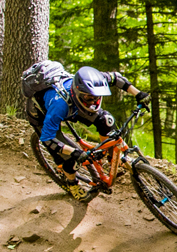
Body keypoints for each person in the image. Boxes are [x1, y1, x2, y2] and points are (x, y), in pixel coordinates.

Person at [37, 65, 150, 200]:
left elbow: (116, 78)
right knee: (70, 159)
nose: (94, 101)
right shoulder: (59, 105)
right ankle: (72, 183)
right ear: (78, 92)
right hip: (40, 113)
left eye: (97, 96)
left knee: (106, 120)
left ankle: (112, 157)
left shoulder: (96, 82)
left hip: (73, 106)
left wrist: (138, 94)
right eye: (89, 98)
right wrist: (75, 152)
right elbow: (47, 138)